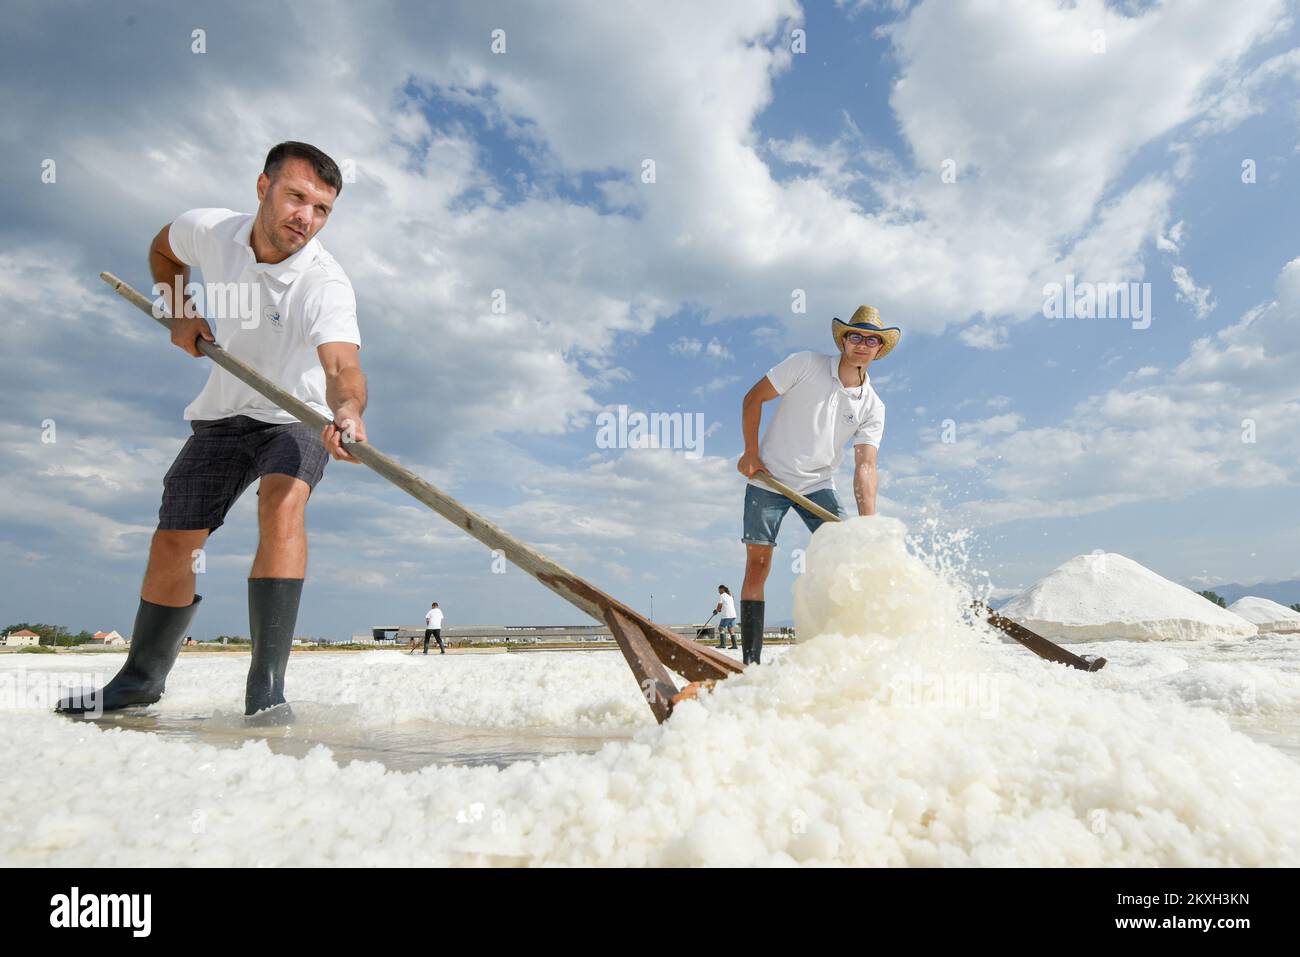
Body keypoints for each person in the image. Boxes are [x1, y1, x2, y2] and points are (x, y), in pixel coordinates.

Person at [58, 142, 367, 717]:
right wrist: (178, 305)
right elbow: (162, 248)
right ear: (262, 187)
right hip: (224, 412)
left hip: (298, 415)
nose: (307, 217)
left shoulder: (324, 283)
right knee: (176, 538)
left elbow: (342, 368)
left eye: (322, 208)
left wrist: (347, 413)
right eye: (297, 197)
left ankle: (265, 693)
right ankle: (139, 682)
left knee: (282, 506)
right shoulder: (211, 230)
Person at [734, 305, 897, 665]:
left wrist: (868, 524)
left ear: (879, 350)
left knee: (846, 560)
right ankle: (750, 663)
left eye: (871, 340)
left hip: (818, 485)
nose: (862, 344)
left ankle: (844, 651)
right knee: (758, 564)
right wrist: (750, 452)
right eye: (855, 336)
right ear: (843, 340)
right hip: (768, 479)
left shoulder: (874, 406)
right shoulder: (805, 364)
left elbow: (866, 466)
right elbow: (753, 398)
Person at [714, 585, 738, 650]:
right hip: (733, 615)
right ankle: (735, 645)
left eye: (719, 590)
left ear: (722, 589)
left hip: (726, 615)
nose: (718, 592)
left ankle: (723, 644)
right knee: (731, 630)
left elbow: (720, 605)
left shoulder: (722, 595)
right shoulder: (730, 596)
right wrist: (719, 610)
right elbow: (726, 605)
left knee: (721, 628)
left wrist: (716, 610)